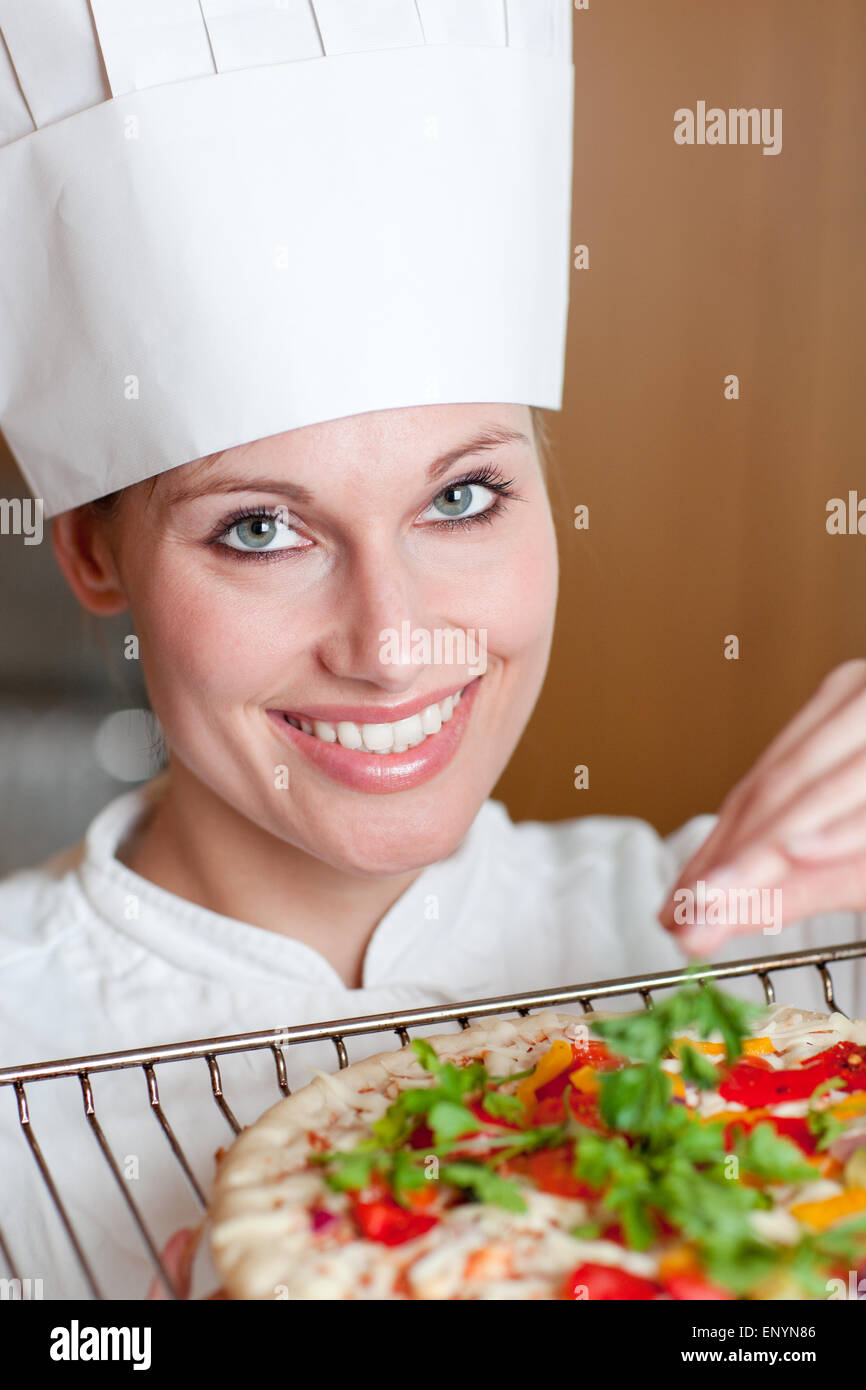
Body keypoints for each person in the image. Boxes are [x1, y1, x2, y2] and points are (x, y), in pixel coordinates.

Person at [0, 3, 862, 1300]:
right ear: (93, 551)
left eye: (458, 497)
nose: (390, 644)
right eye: (260, 527)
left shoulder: (769, 938)